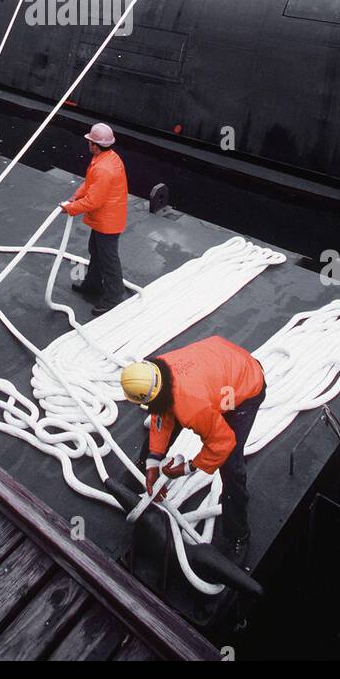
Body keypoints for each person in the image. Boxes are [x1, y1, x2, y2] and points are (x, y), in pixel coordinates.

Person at [120, 334, 266, 565]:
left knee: (231, 465)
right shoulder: (158, 370)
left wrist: (187, 468)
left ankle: (238, 534)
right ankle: (141, 471)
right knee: (169, 413)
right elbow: (161, 414)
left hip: (244, 386)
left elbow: (222, 443)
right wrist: (152, 463)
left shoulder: (192, 406)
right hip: (219, 364)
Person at [61, 122, 129, 317]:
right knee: (96, 252)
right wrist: (76, 195)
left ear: (95, 145)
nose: (88, 144)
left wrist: (70, 208)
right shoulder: (108, 158)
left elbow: (94, 201)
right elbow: (91, 184)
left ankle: (113, 298)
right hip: (106, 218)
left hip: (107, 222)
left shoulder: (103, 168)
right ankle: (92, 285)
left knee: (108, 260)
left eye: (90, 141)